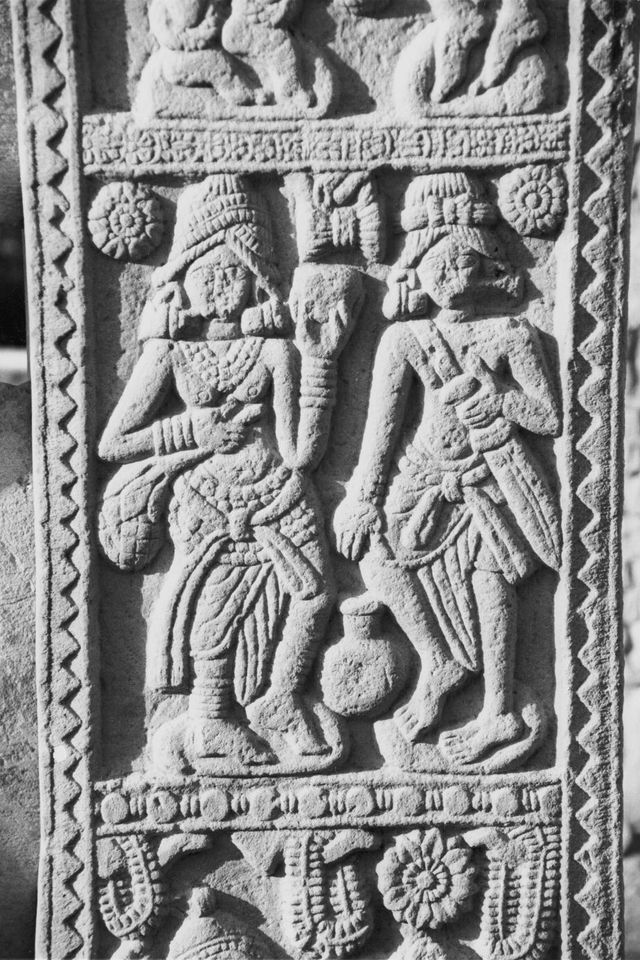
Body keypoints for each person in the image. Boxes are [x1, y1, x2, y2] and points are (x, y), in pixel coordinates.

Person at [99, 174, 362, 769]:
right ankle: (210, 721)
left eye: (233, 271)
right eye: (207, 272)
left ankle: (280, 697)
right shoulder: (169, 353)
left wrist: (322, 361)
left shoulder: (274, 351)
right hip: (208, 497)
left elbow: (302, 454)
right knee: (213, 612)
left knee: (315, 593)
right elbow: (115, 442)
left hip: (282, 492)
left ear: (257, 279)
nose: (220, 285)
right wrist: (195, 431)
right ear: (181, 279)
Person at [334, 172, 560, 765]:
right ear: (415, 270)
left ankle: (500, 709)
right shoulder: (405, 340)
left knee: (492, 579)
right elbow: (381, 431)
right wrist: (364, 497)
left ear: (486, 266)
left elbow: (548, 417)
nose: (450, 275)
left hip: (485, 479)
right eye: (436, 263)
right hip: (421, 479)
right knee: (373, 554)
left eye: (463, 262)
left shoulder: (510, 333)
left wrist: (501, 401)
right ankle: (441, 660)